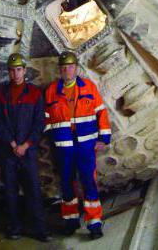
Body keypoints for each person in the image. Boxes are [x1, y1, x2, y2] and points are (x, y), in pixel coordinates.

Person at [44, 52, 111, 239]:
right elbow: (47, 117)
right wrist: (53, 137)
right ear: (59, 70)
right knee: (66, 184)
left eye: (70, 67)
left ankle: (94, 223)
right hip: (64, 146)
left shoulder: (88, 87)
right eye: (64, 67)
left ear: (76, 68)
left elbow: (101, 112)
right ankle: (71, 220)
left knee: (89, 182)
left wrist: (104, 138)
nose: (67, 70)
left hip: (86, 144)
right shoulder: (51, 91)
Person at [0, 53, 51, 242]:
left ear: (24, 71)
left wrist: (26, 144)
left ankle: (39, 229)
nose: (15, 74)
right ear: (8, 72)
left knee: (33, 189)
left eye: (18, 70)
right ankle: (14, 227)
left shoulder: (34, 93)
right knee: (10, 190)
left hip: (28, 150)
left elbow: (39, 122)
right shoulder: (0, 93)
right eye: (12, 70)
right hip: (8, 151)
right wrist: (12, 143)